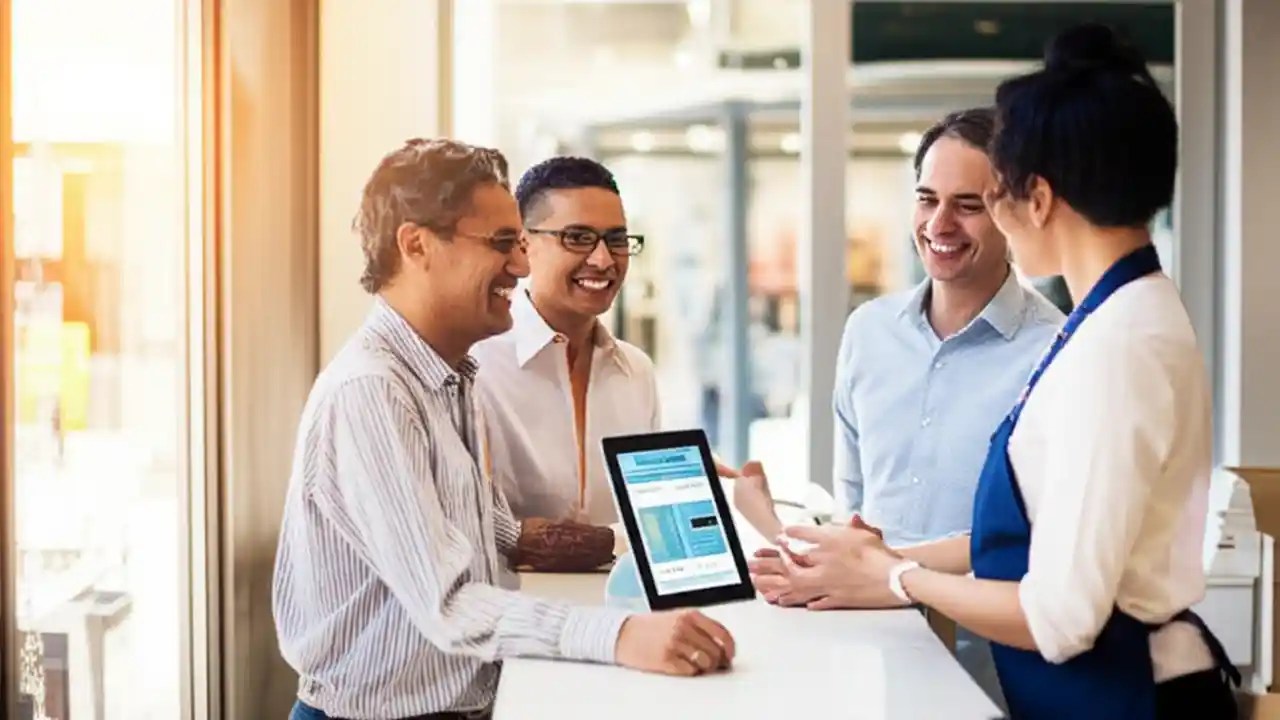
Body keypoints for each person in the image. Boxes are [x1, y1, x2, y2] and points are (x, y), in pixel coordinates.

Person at [761, 25, 1239, 719]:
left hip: (1125, 695)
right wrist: (881, 554)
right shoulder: (1121, 318)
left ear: (1036, 199)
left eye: (991, 198)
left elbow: (1060, 617)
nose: (957, 223)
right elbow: (1042, 530)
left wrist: (897, 576)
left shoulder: (1114, 349)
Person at [272, 139, 736, 720]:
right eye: (501, 245)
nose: (519, 266)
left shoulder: (448, 378)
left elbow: (490, 526)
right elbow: (449, 604)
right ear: (416, 245)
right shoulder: (372, 391)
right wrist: (617, 636)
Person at [736, 107, 1064, 709]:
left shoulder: (1057, 354)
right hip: (866, 658)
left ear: (1013, 212)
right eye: (926, 198)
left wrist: (880, 570)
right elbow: (859, 511)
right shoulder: (868, 333)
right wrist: (773, 524)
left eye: (969, 204)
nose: (941, 223)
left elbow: (1033, 538)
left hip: (996, 679)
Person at [471, 156, 658, 528]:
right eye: (578, 238)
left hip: (616, 589)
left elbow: (646, 526)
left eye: (616, 240)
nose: (603, 260)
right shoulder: (477, 367)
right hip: (505, 589)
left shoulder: (637, 372)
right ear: (524, 246)